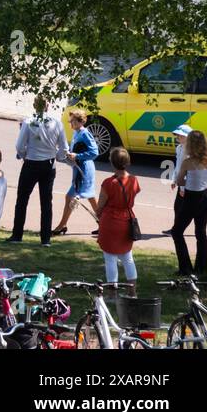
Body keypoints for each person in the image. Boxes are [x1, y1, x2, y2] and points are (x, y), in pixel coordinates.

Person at [6, 95, 68, 246]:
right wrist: (57, 157)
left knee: (22, 199)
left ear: (35, 105)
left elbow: (19, 145)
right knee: (46, 202)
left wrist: (24, 155)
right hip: (48, 164)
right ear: (48, 106)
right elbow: (64, 148)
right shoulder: (57, 123)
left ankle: (17, 234)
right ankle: (45, 238)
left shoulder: (28, 122)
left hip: (31, 163)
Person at [96, 147, 140, 291]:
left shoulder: (109, 183)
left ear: (112, 163)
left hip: (111, 222)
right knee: (128, 258)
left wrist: (99, 214)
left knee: (110, 259)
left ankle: (112, 292)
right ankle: (132, 291)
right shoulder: (134, 180)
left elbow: (100, 205)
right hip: (127, 220)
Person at [171, 129, 207, 276]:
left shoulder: (188, 162)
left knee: (177, 232)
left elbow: (179, 180)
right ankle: (201, 268)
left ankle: (185, 268)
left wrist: (187, 180)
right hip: (205, 196)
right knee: (200, 233)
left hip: (191, 198)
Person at [53, 109, 100, 236]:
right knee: (90, 197)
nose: (70, 123)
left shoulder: (84, 134)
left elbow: (94, 152)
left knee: (69, 197)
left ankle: (61, 226)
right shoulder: (76, 132)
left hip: (84, 171)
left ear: (80, 122)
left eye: (72, 121)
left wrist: (77, 155)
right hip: (79, 169)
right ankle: (103, 224)